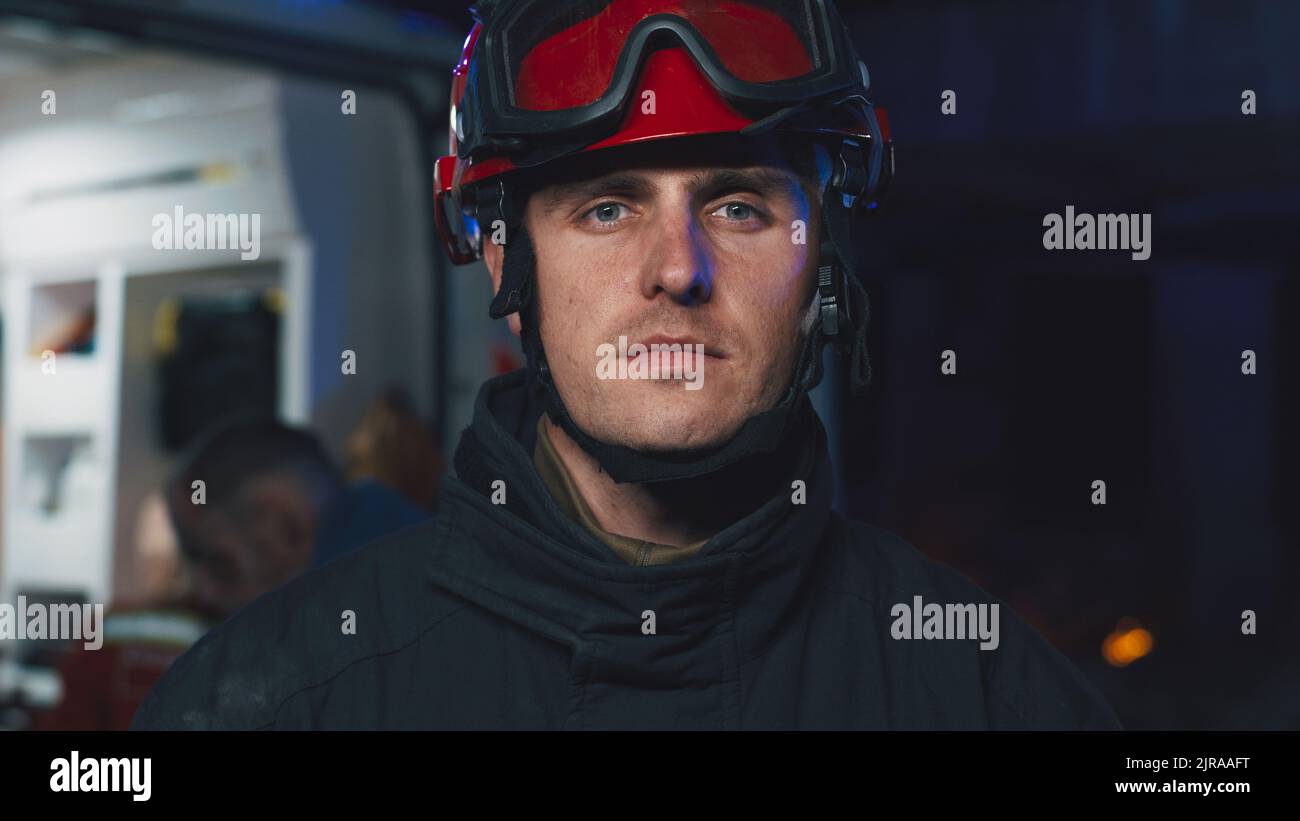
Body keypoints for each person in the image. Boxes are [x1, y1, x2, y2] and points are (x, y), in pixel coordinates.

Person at [134, 0, 1120, 729]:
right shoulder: (266, 700)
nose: (678, 269)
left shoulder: (986, 689)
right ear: (503, 258)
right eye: (606, 207)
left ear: (818, 255)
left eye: (738, 204)